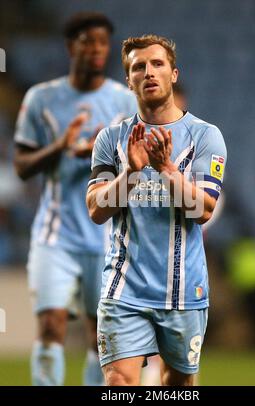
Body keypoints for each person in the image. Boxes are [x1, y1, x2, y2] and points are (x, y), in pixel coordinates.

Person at [86, 34, 227, 386]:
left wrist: (166, 168)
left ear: (173, 74)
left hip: (183, 291)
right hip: (124, 289)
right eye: (138, 66)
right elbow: (96, 210)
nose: (148, 72)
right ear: (128, 80)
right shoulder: (110, 139)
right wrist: (130, 173)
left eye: (157, 64)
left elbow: (203, 211)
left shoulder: (205, 137)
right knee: (119, 383)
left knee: (177, 387)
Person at [14, 12, 136, 386]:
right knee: (51, 323)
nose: (97, 49)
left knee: (100, 337)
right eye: (88, 42)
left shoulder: (125, 101)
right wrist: (61, 146)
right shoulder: (41, 98)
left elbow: (137, 165)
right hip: (56, 236)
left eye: (102, 42)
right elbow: (22, 165)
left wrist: (100, 155)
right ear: (71, 47)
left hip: (106, 238)